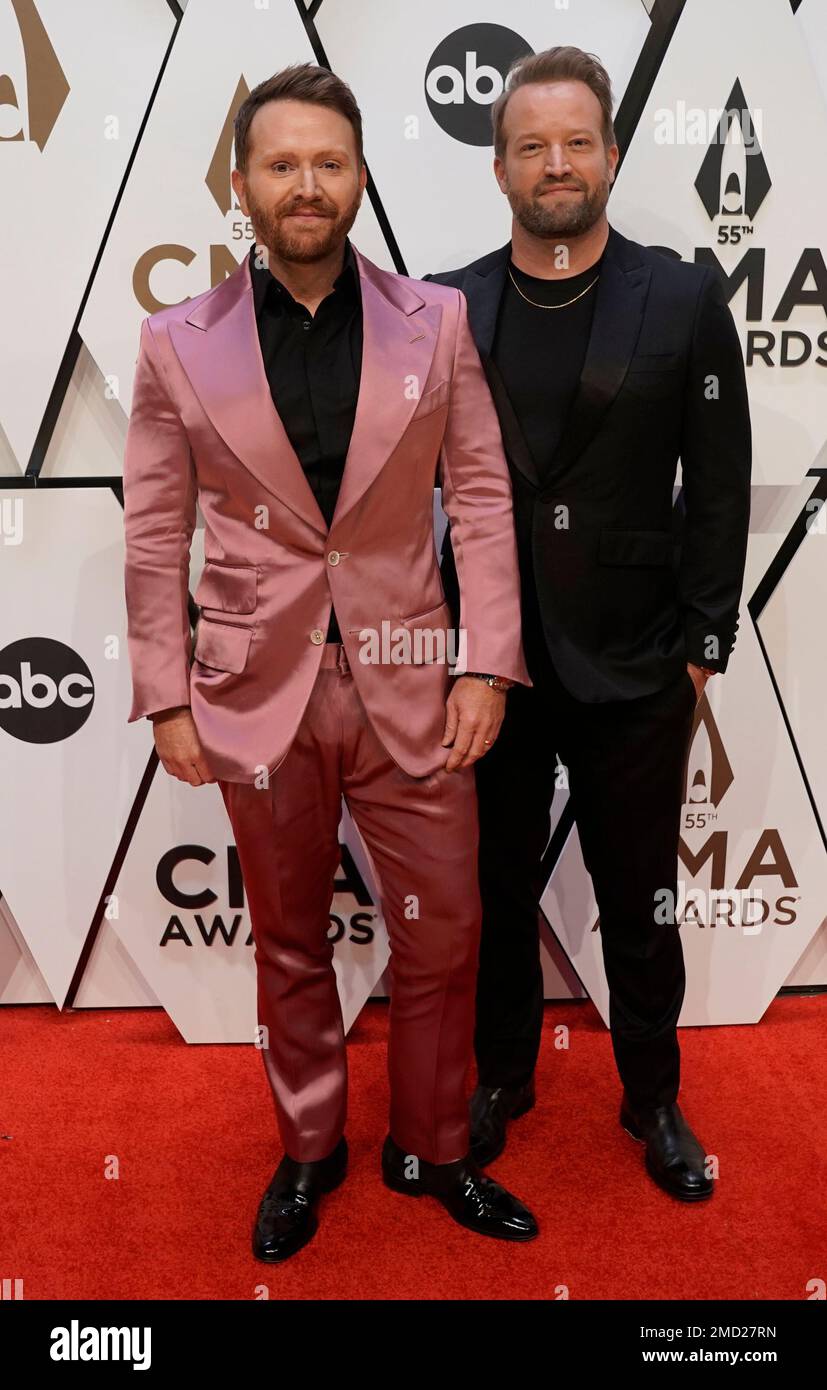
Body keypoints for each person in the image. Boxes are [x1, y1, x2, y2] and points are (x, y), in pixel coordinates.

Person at [123, 63, 538, 1261]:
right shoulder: (173, 344)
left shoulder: (435, 322)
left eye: (329, 162)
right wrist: (165, 693)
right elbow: (155, 529)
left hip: (415, 682)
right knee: (290, 936)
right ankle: (311, 1147)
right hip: (257, 698)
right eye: (280, 163)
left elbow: (481, 495)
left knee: (442, 931)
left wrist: (485, 661)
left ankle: (433, 1146)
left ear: (360, 176)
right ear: (241, 184)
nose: (306, 184)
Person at [427, 46, 751, 1201]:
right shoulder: (447, 306)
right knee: (493, 889)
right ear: (498, 165)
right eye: (530, 145)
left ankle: (651, 1093)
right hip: (492, 664)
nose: (554, 162)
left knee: (639, 897)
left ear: (609, 154)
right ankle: (499, 1077)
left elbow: (718, 483)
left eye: (575, 141)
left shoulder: (680, 296)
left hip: (636, 658)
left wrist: (702, 645)